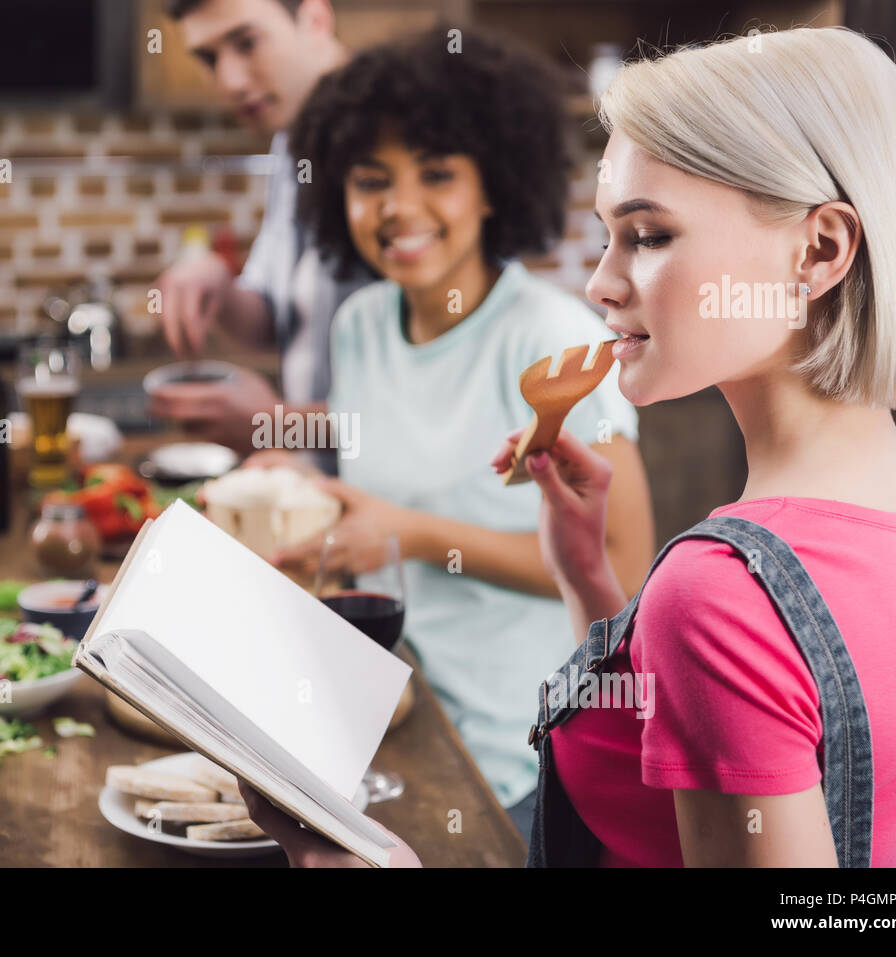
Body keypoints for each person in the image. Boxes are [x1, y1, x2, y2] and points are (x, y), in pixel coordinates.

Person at [244, 26, 896, 867]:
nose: (599, 282)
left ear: (820, 250)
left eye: (648, 235)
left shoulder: (717, 592)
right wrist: (590, 587)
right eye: (608, 233)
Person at [267, 27, 655, 839]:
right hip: (386, 724)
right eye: (371, 182)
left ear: (492, 187)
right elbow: (398, 454)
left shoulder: (551, 341)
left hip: (511, 755)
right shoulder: (364, 321)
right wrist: (307, 493)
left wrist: (400, 533)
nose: (399, 209)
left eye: (436, 175)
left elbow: (622, 572)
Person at [148, 0, 372, 462]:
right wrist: (219, 285)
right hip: (324, 502)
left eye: (247, 43)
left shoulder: (401, 148)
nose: (229, 81)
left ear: (315, 18)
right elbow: (274, 323)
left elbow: (437, 422)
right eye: (209, 59)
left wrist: (276, 425)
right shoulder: (291, 144)